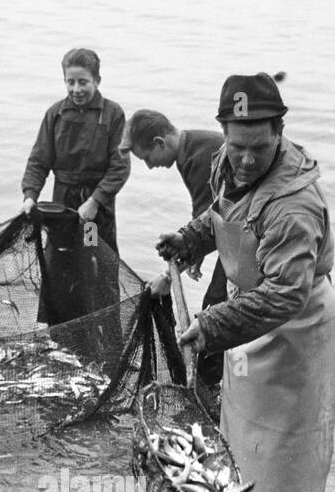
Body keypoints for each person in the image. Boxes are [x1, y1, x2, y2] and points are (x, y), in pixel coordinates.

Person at [156, 72, 335, 492]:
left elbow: (285, 295)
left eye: (257, 149)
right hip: (249, 324)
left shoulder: (293, 205)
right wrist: (189, 240)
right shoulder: (227, 160)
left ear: (279, 133)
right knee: (241, 442)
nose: (243, 160)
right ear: (224, 132)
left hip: (298, 333)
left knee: (285, 459)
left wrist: (211, 324)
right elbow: (223, 214)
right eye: (236, 146)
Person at [119, 108, 228, 382]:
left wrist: (169, 275)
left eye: (147, 158)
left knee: (215, 310)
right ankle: (218, 380)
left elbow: (216, 219)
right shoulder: (189, 149)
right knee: (215, 306)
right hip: (234, 232)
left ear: (159, 142)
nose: (148, 165)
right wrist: (195, 256)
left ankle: (208, 385)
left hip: (248, 239)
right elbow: (207, 214)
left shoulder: (200, 156)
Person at [21, 47, 129, 255]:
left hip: (95, 208)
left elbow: (119, 168)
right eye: (70, 82)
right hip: (61, 203)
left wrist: (94, 202)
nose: (76, 89)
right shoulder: (55, 114)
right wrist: (30, 196)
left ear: (97, 80)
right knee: (59, 256)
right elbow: (38, 161)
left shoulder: (112, 114)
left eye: (83, 82)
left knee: (92, 257)